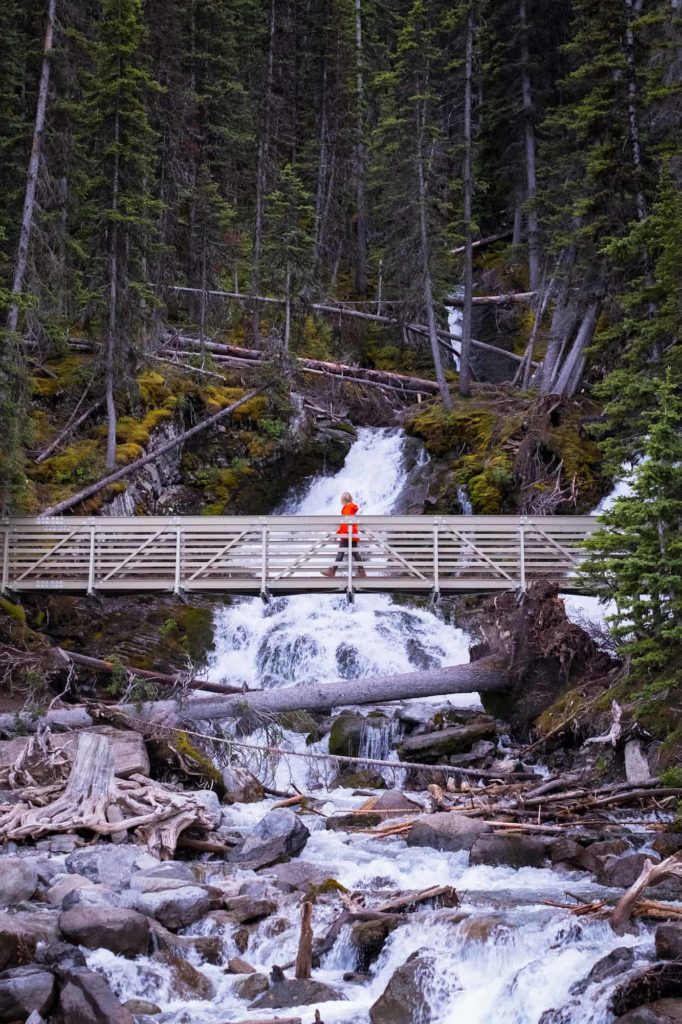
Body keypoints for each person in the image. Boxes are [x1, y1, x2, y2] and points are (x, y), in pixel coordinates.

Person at [321, 491, 366, 578]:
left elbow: (345, 523)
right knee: (355, 553)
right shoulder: (352, 508)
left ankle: (332, 571)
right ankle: (362, 572)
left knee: (340, 553)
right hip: (352, 534)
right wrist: (339, 532)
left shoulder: (347, 508)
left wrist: (340, 534)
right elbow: (348, 522)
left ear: (343, 501)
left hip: (346, 535)